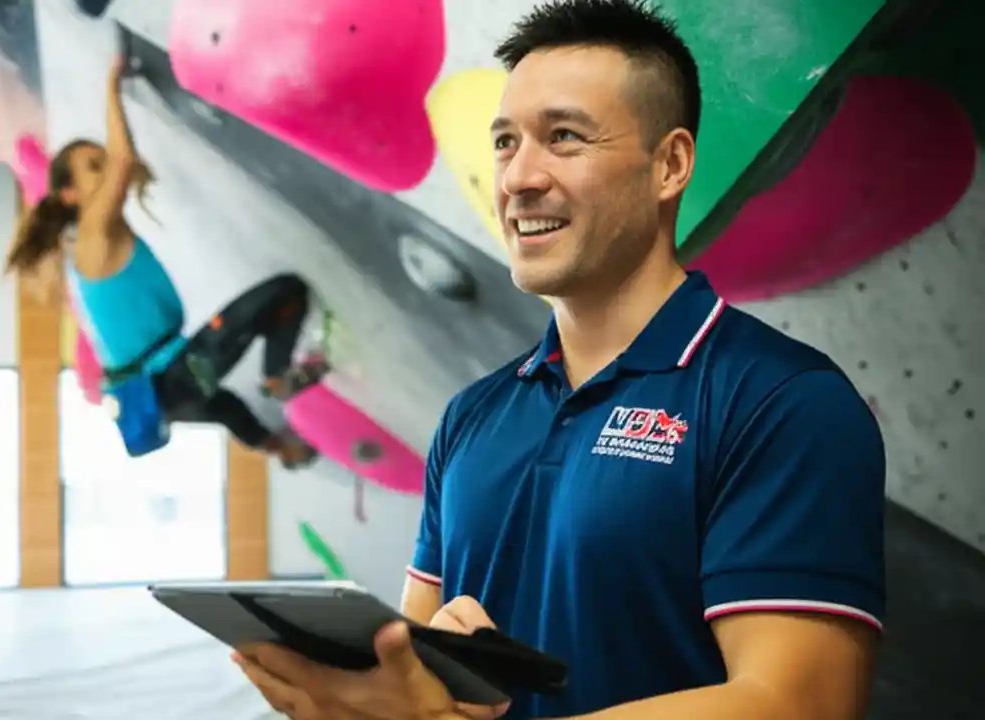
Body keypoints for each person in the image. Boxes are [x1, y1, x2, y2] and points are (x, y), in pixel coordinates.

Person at [231, 1, 887, 718]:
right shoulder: (472, 417)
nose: (517, 179)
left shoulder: (781, 402)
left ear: (669, 164)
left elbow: (799, 704)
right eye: (506, 143)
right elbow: (414, 667)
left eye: (564, 137)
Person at [5, 56, 317, 469]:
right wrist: (111, 84)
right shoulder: (94, 236)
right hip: (174, 376)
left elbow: (122, 166)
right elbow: (122, 161)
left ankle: (283, 449)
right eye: (92, 168)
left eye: (101, 161)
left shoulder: (95, 241)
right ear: (69, 195)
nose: (107, 171)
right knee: (286, 292)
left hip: (164, 392)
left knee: (223, 407)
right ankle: (276, 378)